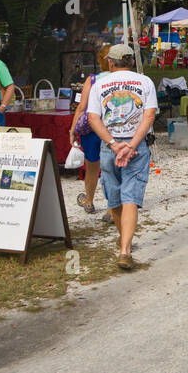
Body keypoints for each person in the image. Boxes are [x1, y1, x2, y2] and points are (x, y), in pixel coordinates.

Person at [87, 45, 158, 271]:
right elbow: (149, 116)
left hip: (111, 147)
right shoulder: (145, 82)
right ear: (130, 61)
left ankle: (123, 242)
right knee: (130, 198)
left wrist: (113, 144)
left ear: (110, 62)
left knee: (115, 199)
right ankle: (125, 249)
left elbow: (93, 118)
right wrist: (132, 145)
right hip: (135, 146)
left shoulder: (99, 84)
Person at [68, 50, 105, 212]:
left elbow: (81, 107)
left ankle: (89, 201)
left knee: (92, 167)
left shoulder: (93, 79)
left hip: (92, 128)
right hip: (114, 128)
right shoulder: (123, 79)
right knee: (113, 168)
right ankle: (112, 208)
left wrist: (72, 129)